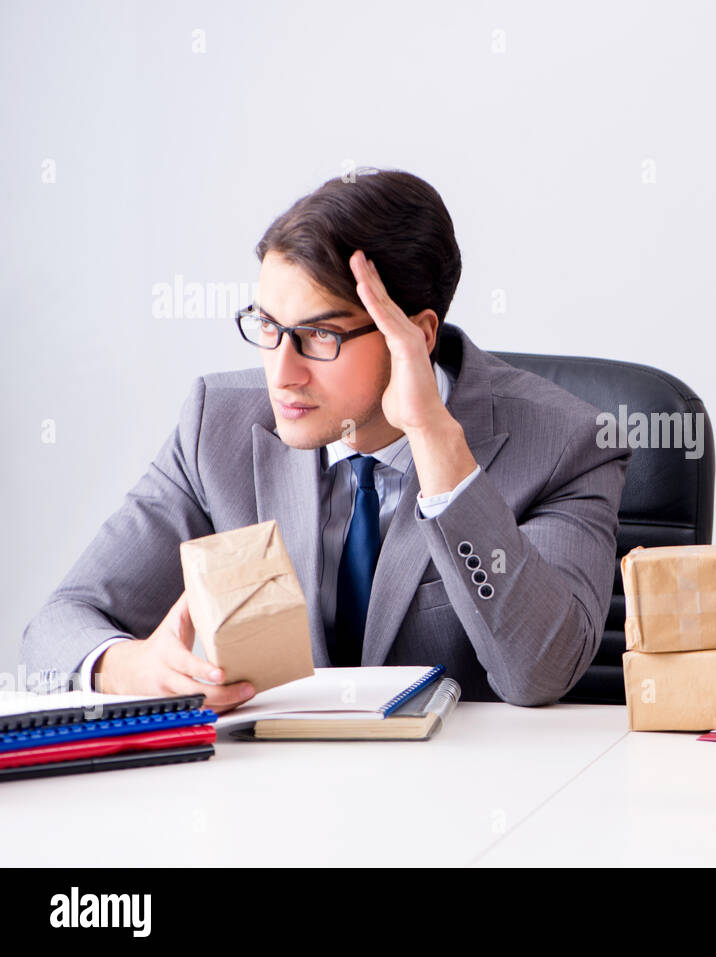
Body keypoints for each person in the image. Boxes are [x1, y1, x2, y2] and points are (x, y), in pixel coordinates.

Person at [23, 169, 630, 710]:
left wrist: (436, 444)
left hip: (467, 804)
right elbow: (56, 627)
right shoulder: (219, 427)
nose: (281, 372)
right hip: (276, 807)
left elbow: (540, 674)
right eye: (267, 325)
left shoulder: (565, 444)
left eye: (319, 336)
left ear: (415, 337)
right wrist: (131, 667)